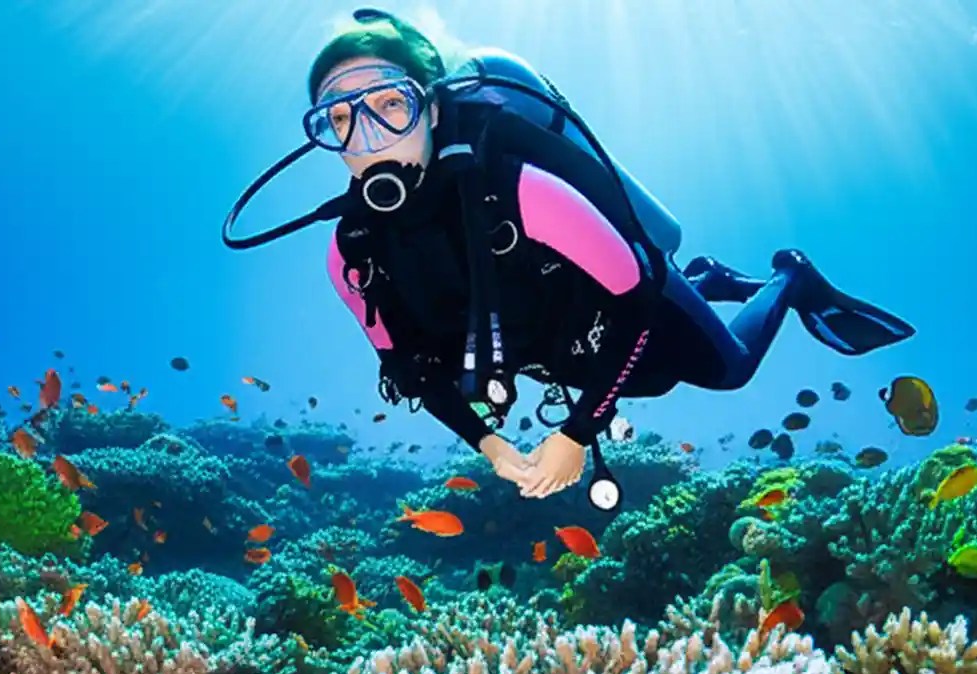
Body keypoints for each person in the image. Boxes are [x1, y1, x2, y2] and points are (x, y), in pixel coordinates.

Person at [222, 9, 914, 510]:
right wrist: (491, 448)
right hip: (569, 351)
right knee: (656, 388)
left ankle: (787, 275)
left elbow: (636, 298)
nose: (367, 136)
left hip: (632, 303)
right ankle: (711, 279)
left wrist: (578, 432)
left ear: (432, 109)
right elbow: (412, 369)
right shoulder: (351, 256)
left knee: (725, 372)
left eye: (389, 106)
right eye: (339, 118)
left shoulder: (520, 189)